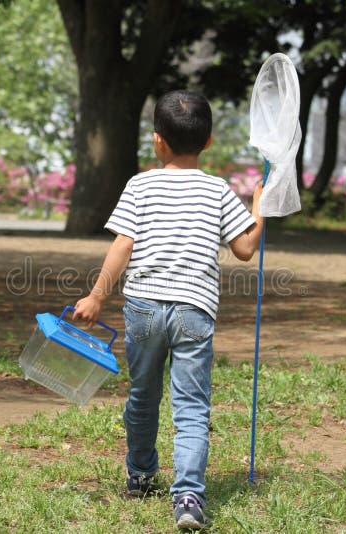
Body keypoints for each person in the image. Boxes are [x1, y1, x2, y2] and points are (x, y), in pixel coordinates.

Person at [73, 89, 264, 530]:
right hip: (194, 309)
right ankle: (189, 498)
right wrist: (260, 208)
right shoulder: (217, 189)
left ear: (157, 141)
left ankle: (140, 475)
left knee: (143, 394)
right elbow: (245, 248)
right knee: (192, 405)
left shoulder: (141, 184)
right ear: (210, 140)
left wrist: (98, 295)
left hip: (142, 307)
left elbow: (124, 243)